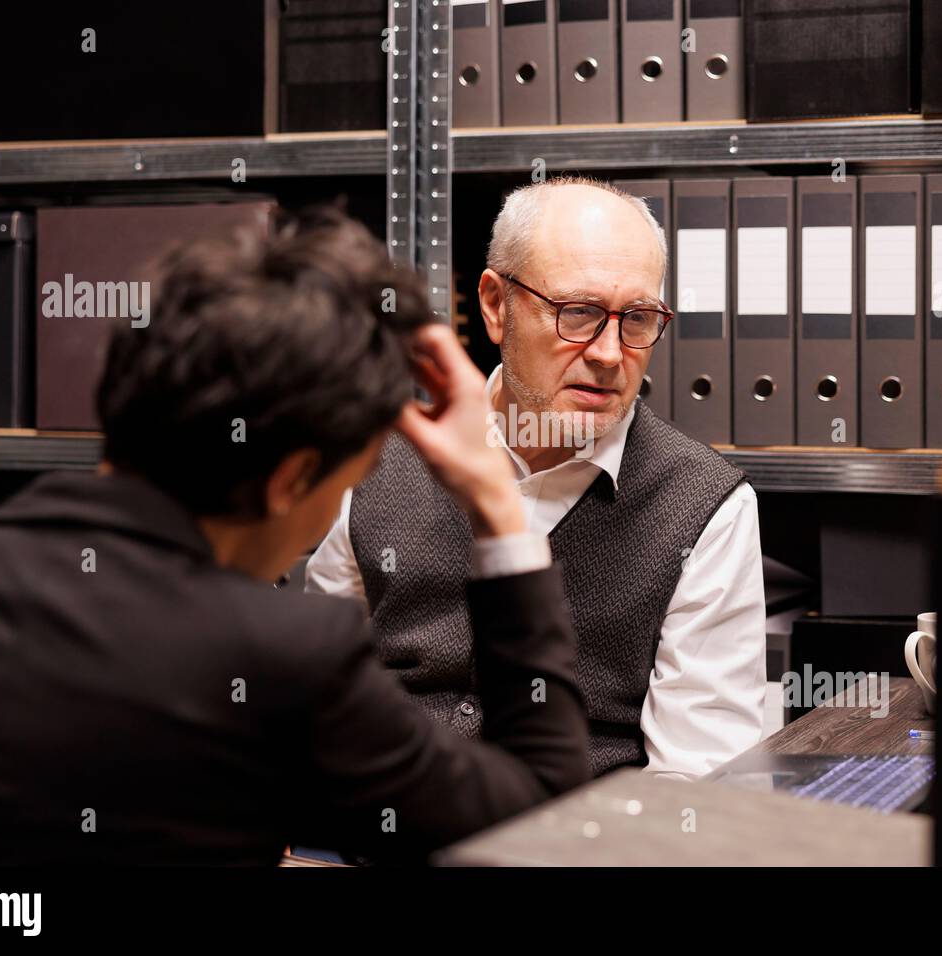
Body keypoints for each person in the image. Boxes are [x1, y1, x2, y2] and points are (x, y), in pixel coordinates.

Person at [0, 207, 590, 865]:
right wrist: (498, 505)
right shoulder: (287, 657)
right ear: (291, 480)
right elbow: (537, 826)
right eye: (351, 475)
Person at [308, 177, 766, 778]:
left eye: (637, 319)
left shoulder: (707, 509)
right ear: (496, 307)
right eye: (578, 312)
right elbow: (318, 698)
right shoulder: (378, 459)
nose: (608, 354)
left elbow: (697, 779)